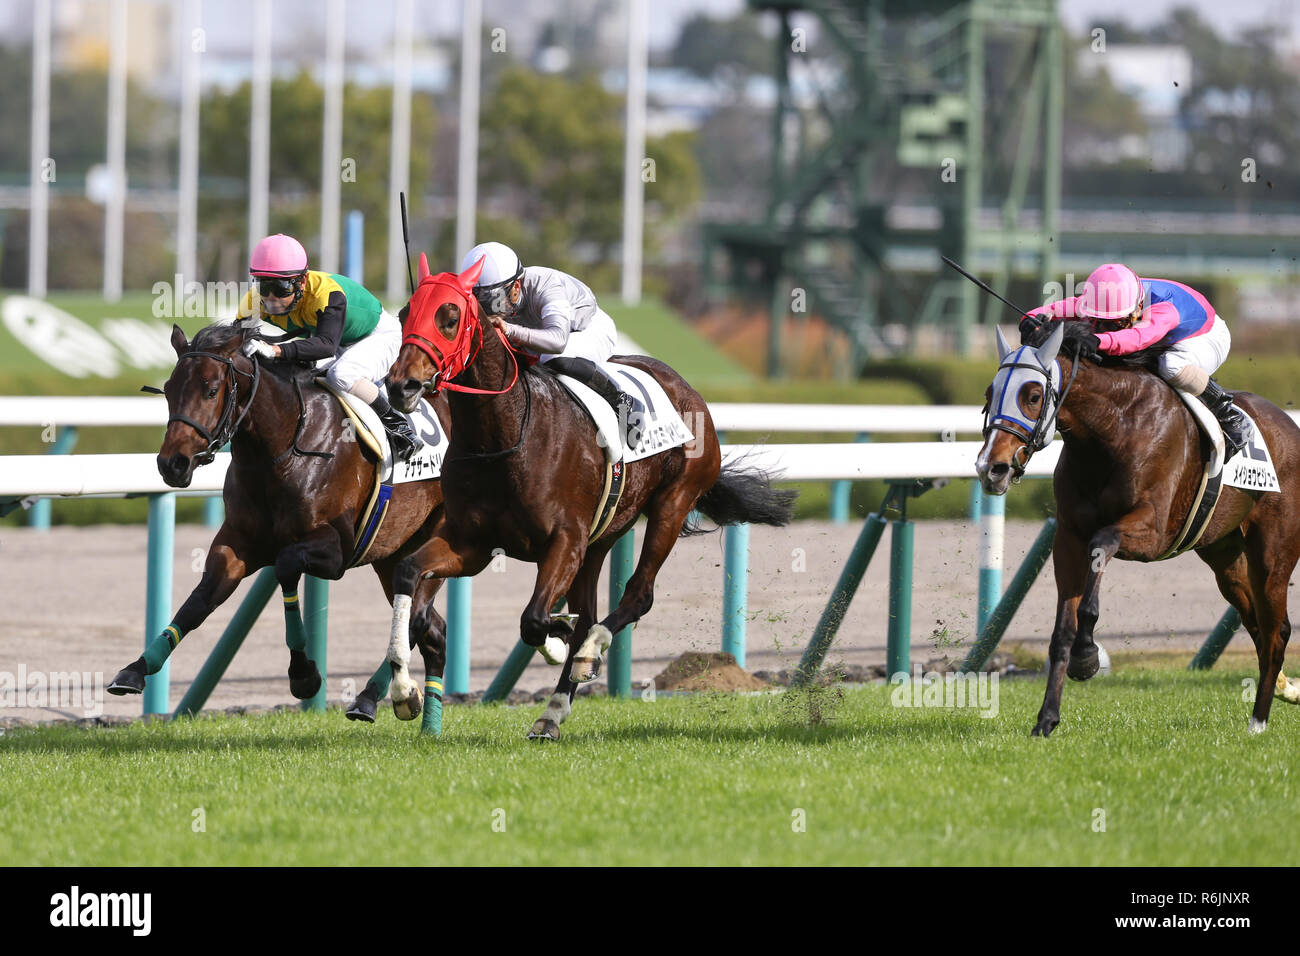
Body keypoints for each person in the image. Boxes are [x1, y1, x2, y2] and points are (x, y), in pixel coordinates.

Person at [1023, 262, 1249, 455]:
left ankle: (1227, 411)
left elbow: (1138, 337)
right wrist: (1030, 320)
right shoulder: (1103, 298)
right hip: (1160, 332)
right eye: (1096, 320)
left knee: (1170, 365)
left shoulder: (1163, 307)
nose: (1102, 327)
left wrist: (1098, 341)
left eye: (1115, 323)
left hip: (1203, 336)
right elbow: (1049, 310)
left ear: (1137, 308)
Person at [237, 234, 420, 461]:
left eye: (282, 288)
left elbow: (326, 346)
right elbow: (232, 343)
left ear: (302, 282)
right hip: (342, 342)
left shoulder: (325, 293)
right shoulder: (254, 301)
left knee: (341, 375)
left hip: (378, 336)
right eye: (264, 286)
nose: (272, 298)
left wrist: (276, 350)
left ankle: (400, 428)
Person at [459, 241, 644, 448]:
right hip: (538, 338)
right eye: (480, 301)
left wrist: (509, 329)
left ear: (516, 287)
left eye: (494, 300)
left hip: (585, 329)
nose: (490, 310)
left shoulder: (546, 285)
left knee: (552, 359)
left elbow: (557, 341)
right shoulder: (503, 294)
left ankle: (622, 402)